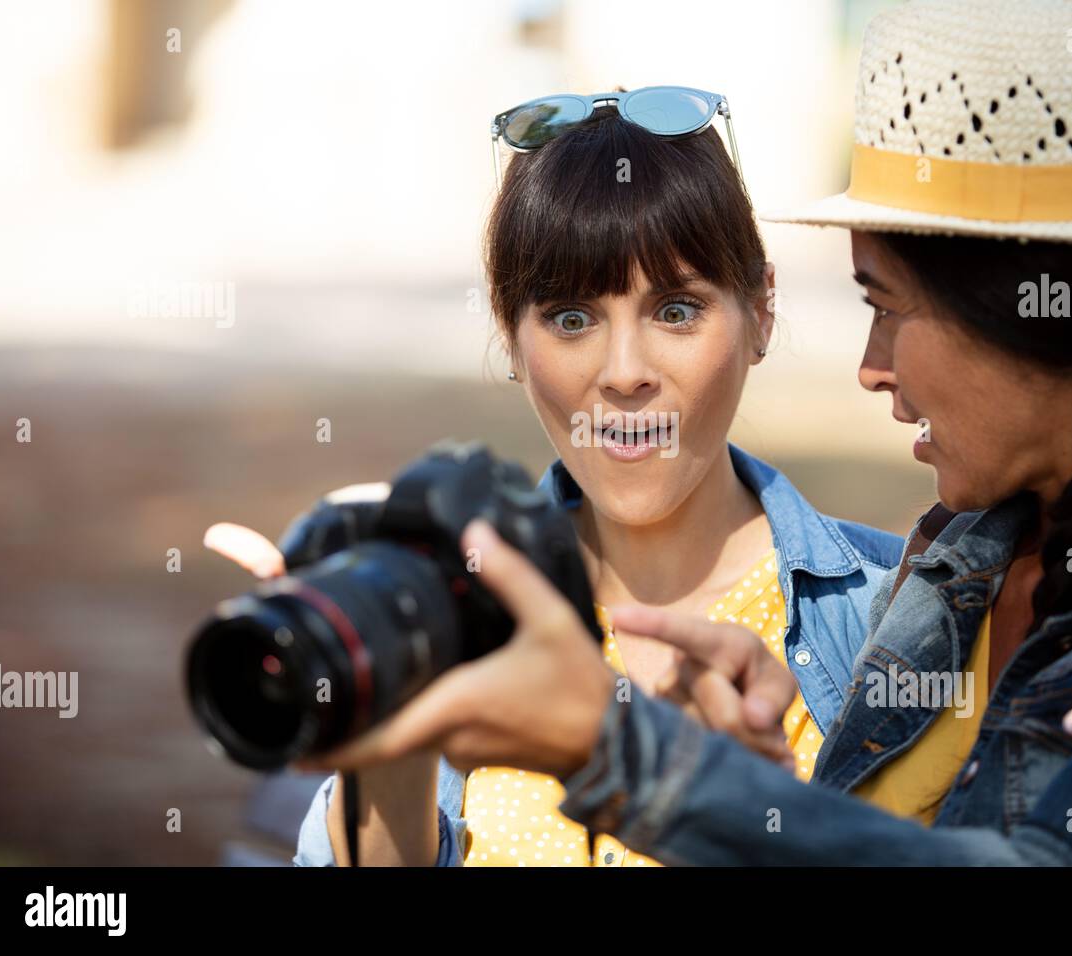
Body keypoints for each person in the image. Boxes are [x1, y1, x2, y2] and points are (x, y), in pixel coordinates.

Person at [292, 0, 1072, 866]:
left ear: (1027, 319)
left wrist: (631, 759)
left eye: (883, 304)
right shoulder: (965, 565)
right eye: (568, 313)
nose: (869, 365)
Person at [207, 88, 901, 866]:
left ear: (761, 311)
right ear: (509, 332)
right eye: (571, 318)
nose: (625, 373)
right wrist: (380, 695)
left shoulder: (902, 620)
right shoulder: (438, 603)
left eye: (676, 310)